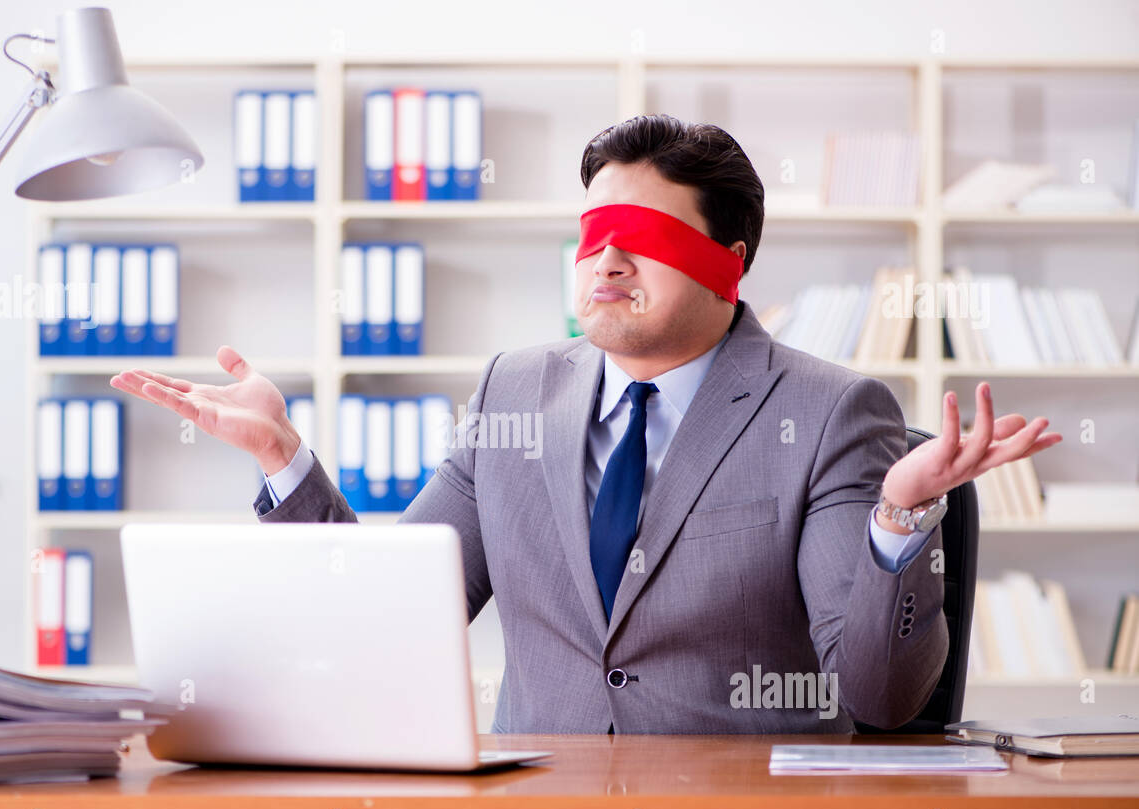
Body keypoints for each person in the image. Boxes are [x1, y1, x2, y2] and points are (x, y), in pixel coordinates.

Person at [111, 115, 1060, 734]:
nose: (605, 260)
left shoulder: (827, 413)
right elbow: (393, 622)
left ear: (730, 264)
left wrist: (898, 518)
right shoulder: (509, 393)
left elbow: (880, 698)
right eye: (592, 236)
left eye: (644, 240)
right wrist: (284, 457)